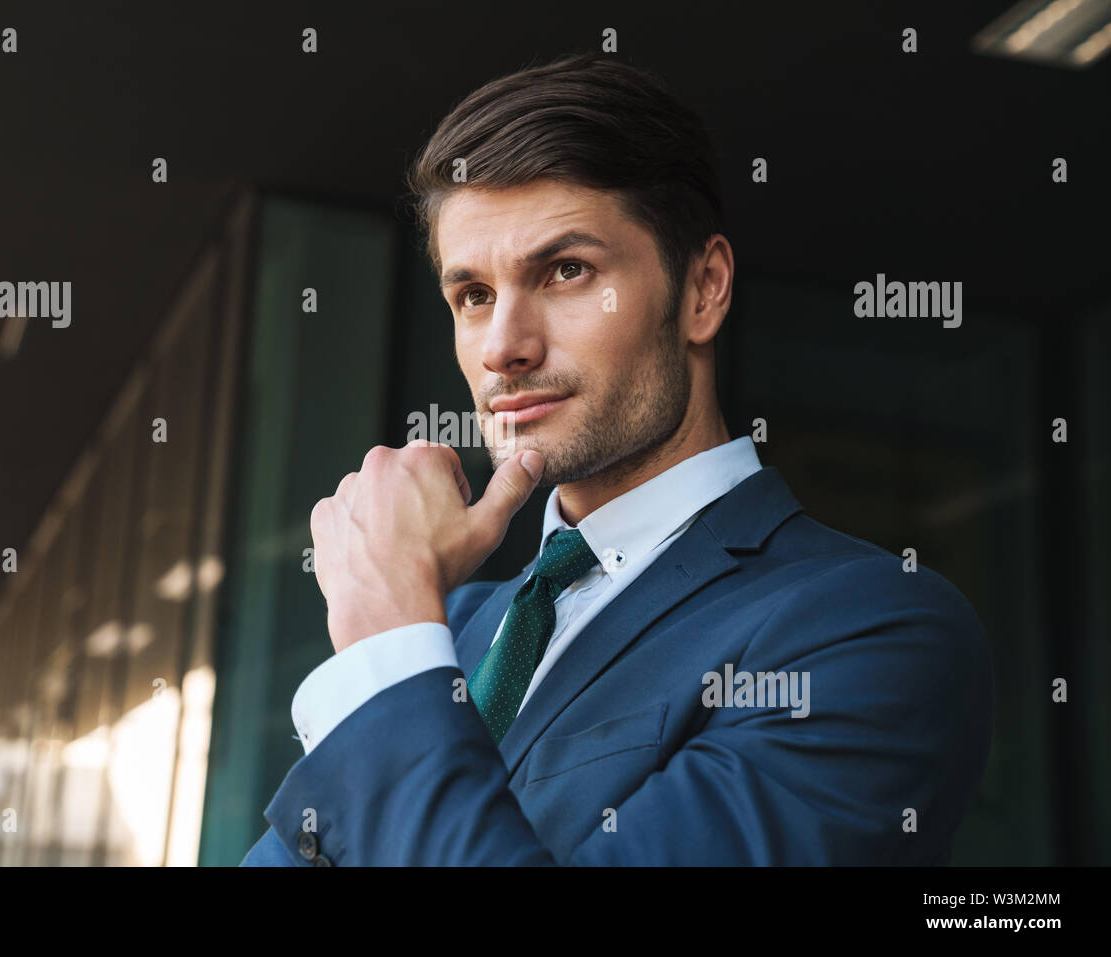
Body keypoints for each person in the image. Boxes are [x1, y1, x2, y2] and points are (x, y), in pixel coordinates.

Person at [241, 52, 992, 866]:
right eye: (474, 296)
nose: (503, 348)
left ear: (702, 288)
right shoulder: (447, 631)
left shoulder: (870, 628)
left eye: (567, 272)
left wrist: (386, 645)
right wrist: (401, 640)